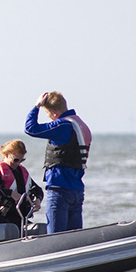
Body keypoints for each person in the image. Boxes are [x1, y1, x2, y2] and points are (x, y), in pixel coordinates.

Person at [24, 91, 92, 233]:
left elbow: (30, 128)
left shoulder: (62, 125)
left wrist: (36, 106)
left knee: (55, 237)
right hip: (77, 190)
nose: (49, 119)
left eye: (48, 115)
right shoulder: (81, 125)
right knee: (74, 238)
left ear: (54, 112)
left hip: (60, 190)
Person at [0, 139, 43, 228]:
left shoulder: (22, 171)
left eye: (21, 160)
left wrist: (38, 200)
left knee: (41, 229)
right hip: (2, 219)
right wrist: (11, 193)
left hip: (21, 218)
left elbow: (38, 189)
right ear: (6, 155)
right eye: (16, 160)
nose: (17, 163)